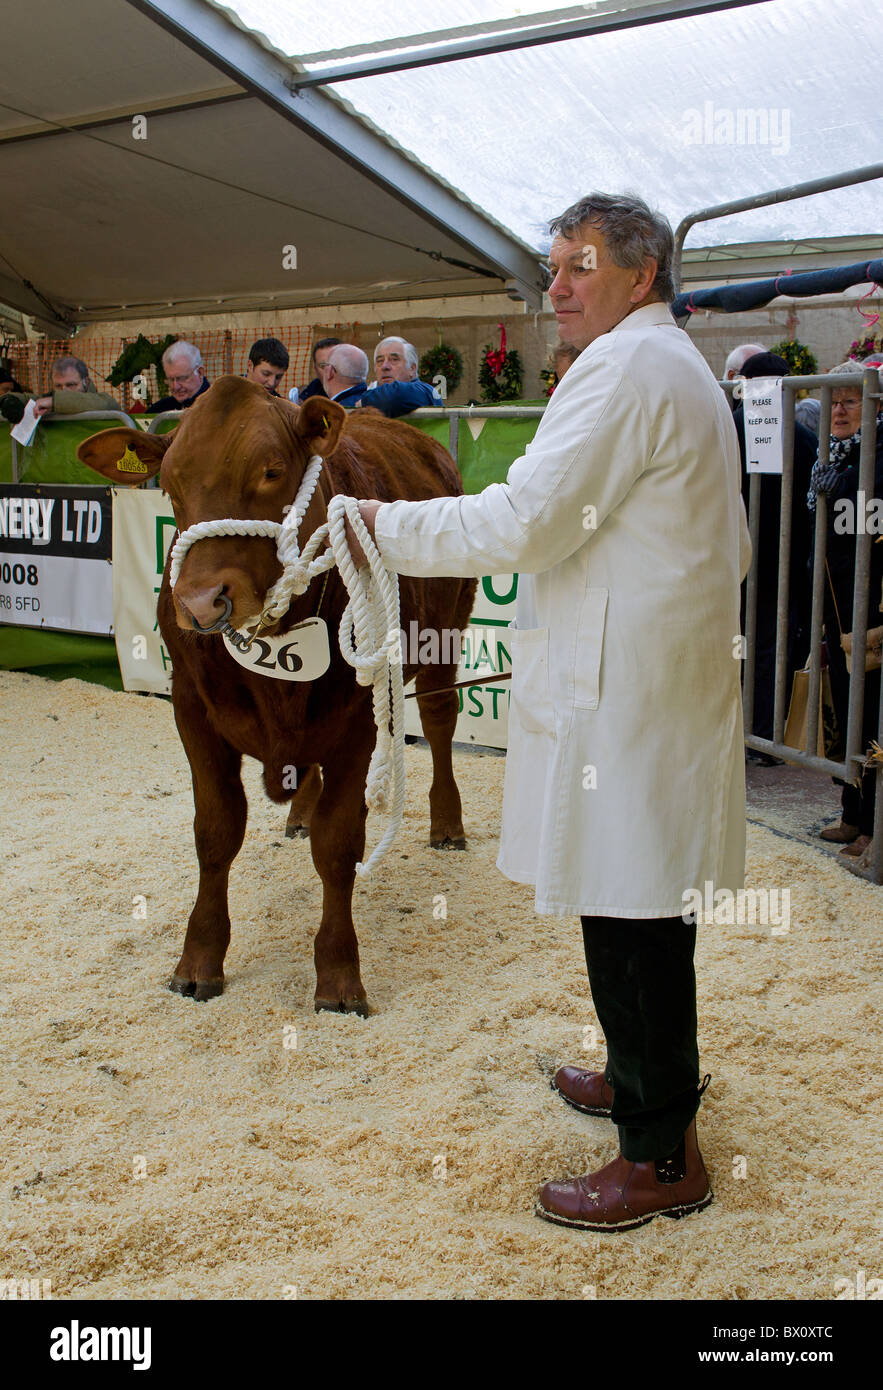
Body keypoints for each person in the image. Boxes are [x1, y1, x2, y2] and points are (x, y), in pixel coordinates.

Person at [348, 192, 750, 1231]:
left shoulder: (621, 368)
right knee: (636, 891)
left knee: (634, 906)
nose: (556, 287)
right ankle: (637, 1079)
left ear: (640, 274)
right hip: (651, 675)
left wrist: (379, 525)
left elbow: (524, 521)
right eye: (552, 267)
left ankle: (662, 1158)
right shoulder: (671, 364)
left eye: (578, 266)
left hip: (627, 686)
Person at [809, 360, 883, 859]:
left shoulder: (876, 453)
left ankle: (875, 825)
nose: (839, 410)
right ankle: (853, 811)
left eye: (850, 400)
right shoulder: (831, 455)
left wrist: (848, 478)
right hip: (838, 602)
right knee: (848, 703)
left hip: (872, 599)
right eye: (834, 400)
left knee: (874, 706)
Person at [734, 351, 818, 754]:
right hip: (780, 563)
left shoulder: (728, 430)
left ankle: (736, 731)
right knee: (770, 648)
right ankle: (764, 735)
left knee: (733, 644)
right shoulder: (802, 438)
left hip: (731, 559)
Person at [357, 337, 444, 417]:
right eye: (380, 361)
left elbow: (395, 396)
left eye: (394, 359)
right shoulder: (377, 395)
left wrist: (365, 401)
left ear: (412, 369)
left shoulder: (425, 391)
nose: (385, 366)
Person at [31, 355, 120, 417]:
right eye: (58, 386)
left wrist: (55, 401)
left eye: (71, 385)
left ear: (87, 382)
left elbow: (108, 404)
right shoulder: (48, 405)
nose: (64, 390)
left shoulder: (102, 402)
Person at [148, 341, 210, 413]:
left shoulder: (221, 407)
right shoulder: (158, 410)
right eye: (170, 379)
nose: (176, 387)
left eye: (182, 378)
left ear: (200, 372)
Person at [295, 337, 343, 403]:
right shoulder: (314, 387)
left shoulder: (360, 396)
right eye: (323, 366)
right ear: (315, 369)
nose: (329, 371)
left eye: (334, 364)